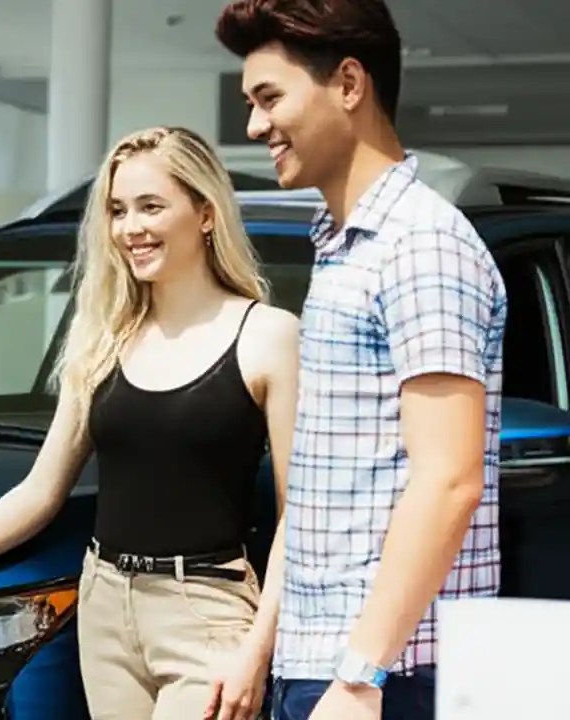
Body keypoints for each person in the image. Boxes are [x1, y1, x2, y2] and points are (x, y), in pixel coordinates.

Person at [0, 126, 301, 720]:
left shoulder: (269, 336)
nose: (131, 228)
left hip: (205, 612)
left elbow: (297, 518)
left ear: (205, 213)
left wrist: (258, 649)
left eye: (152, 206)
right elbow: (42, 491)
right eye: (119, 211)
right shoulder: (103, 337)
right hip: (104, 608)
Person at [215, 1, 508, 719]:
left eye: (269, 98)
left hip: (390, 674)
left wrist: (358, 677)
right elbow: (325, 487)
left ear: (349, 83)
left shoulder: (422, 245)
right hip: (325, 661)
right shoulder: (348, 246)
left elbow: (448, 480)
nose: (255, 126)